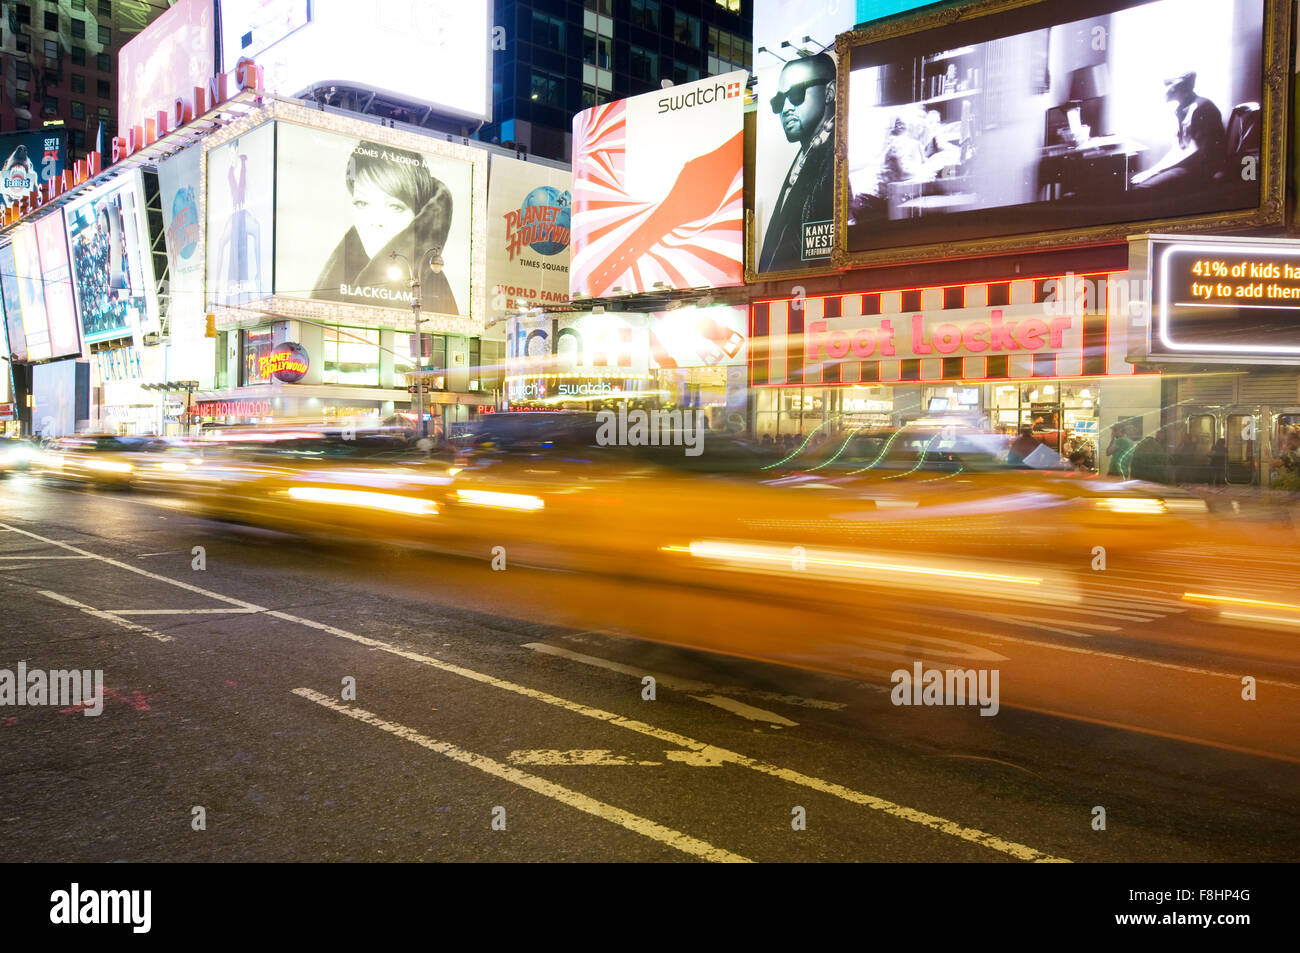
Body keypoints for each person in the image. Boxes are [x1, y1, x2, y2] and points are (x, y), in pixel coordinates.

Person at [315, 141, 458, 314]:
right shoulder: (336, 281)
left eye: (394, 207)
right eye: (362, 203)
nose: (375, 221)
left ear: (418, 214)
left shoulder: (435, 293)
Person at [759, 53, 836, 273]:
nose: (785, 109)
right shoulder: (808, 152)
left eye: (796, 94)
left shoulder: (838, 155)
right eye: (779, 101)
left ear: (829, 91)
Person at [1131, 71, 1225, 196]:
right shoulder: (1181, 109)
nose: (1163, 89)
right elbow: (1178, 149)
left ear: (1181, 86)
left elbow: (1194, 151)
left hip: (1202, 169)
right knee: (1134, 184)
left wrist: (1153, 172)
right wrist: (1151, 171)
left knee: (1141, 189)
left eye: (1168, 84)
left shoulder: (1201, 107)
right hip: (1189, 165)